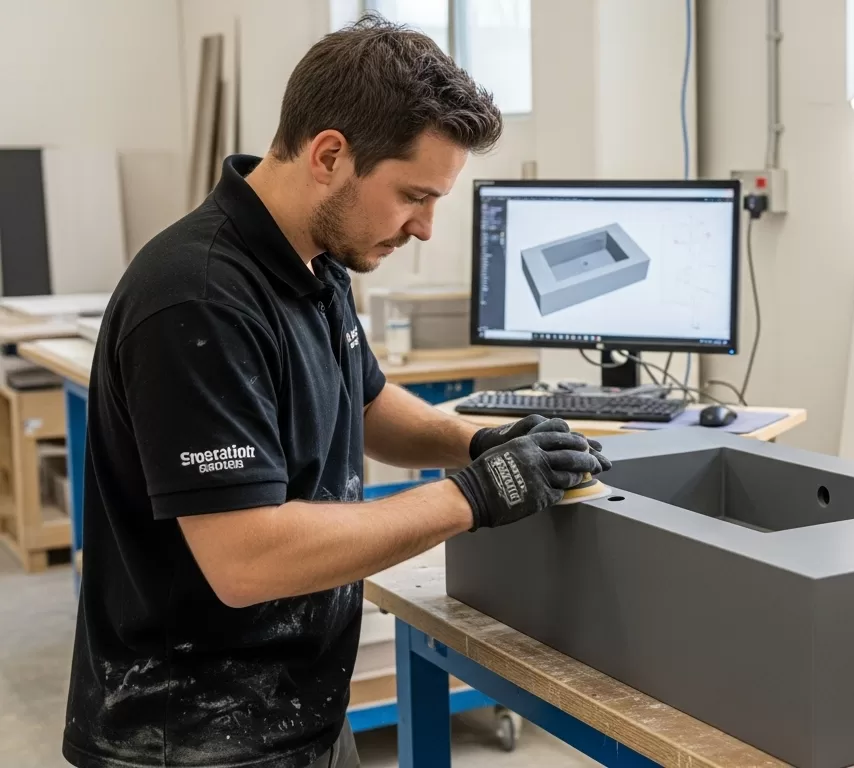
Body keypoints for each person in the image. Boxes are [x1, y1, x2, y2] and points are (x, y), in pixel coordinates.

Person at [60, 15, 606, 768]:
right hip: (190, 735)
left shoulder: (316, 259)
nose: (424, 228)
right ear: (328, 155)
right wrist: (474, 493)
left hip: (296, 705)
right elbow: (246, 560)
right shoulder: (198, 299)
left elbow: (368, 404)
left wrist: (480, 441)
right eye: (413, 196)